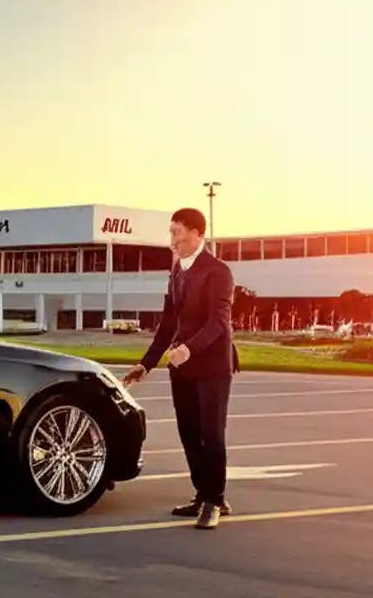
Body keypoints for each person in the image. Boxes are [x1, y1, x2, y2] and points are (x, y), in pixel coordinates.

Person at [123, 207, 239, 530]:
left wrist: (189, 348)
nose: (172, 240)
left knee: (211, 433)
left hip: (212, 366)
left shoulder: (219, 272)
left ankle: (215, 500)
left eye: (177, 232)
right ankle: (202, 494)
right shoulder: (176, 271)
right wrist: (144, 366)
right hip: (182, 366)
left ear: (198, 234)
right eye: (170, 232)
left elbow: (219, 323)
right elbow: (167, 324)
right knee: (189, 433)